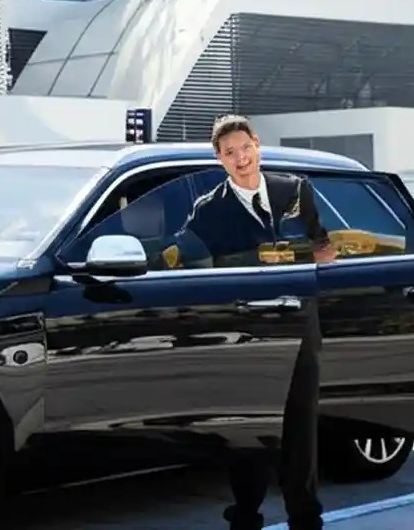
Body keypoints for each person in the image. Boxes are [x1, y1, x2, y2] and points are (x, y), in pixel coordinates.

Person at [181, 114, 335, 530]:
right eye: (229, 153)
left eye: (244, 147)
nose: (240, 158)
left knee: (301, 425)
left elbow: (324, 248)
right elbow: (190, 265)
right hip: (246, 332)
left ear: (257, 145)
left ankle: (305, 516)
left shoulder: (295, 191)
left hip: (301, 326)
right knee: (251, 428)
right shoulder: (209, 210)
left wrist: (300, 257)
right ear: (219, 160)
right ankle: (246, 514)